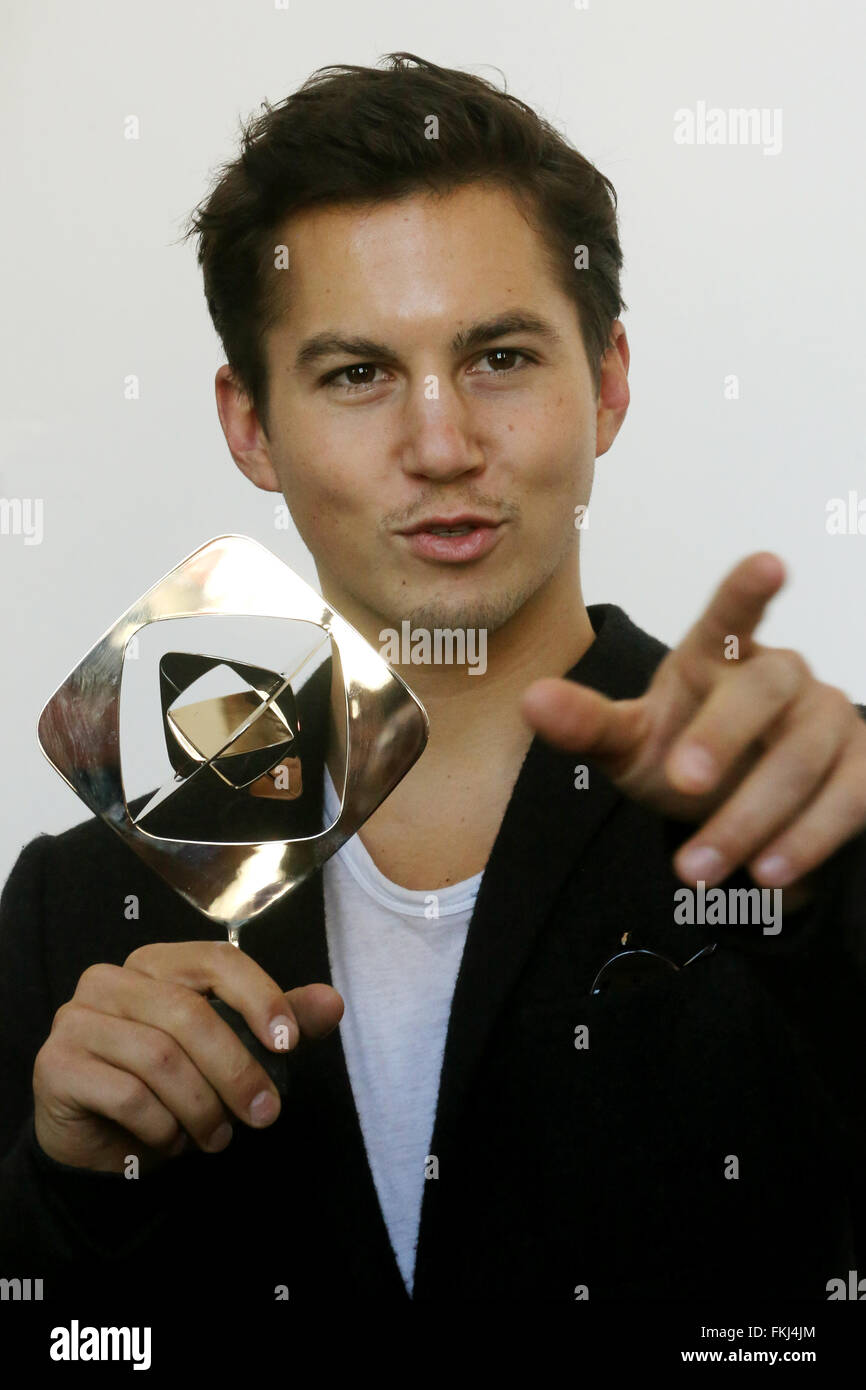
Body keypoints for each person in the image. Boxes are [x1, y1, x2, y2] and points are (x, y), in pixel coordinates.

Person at [2, 53, 866, 1311]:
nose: (441, 444)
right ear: (249, 427)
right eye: (356, 374)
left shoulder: (806, 811)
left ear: (607, 382)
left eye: (500, 358)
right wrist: (66, 1185)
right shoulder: (75, 914)